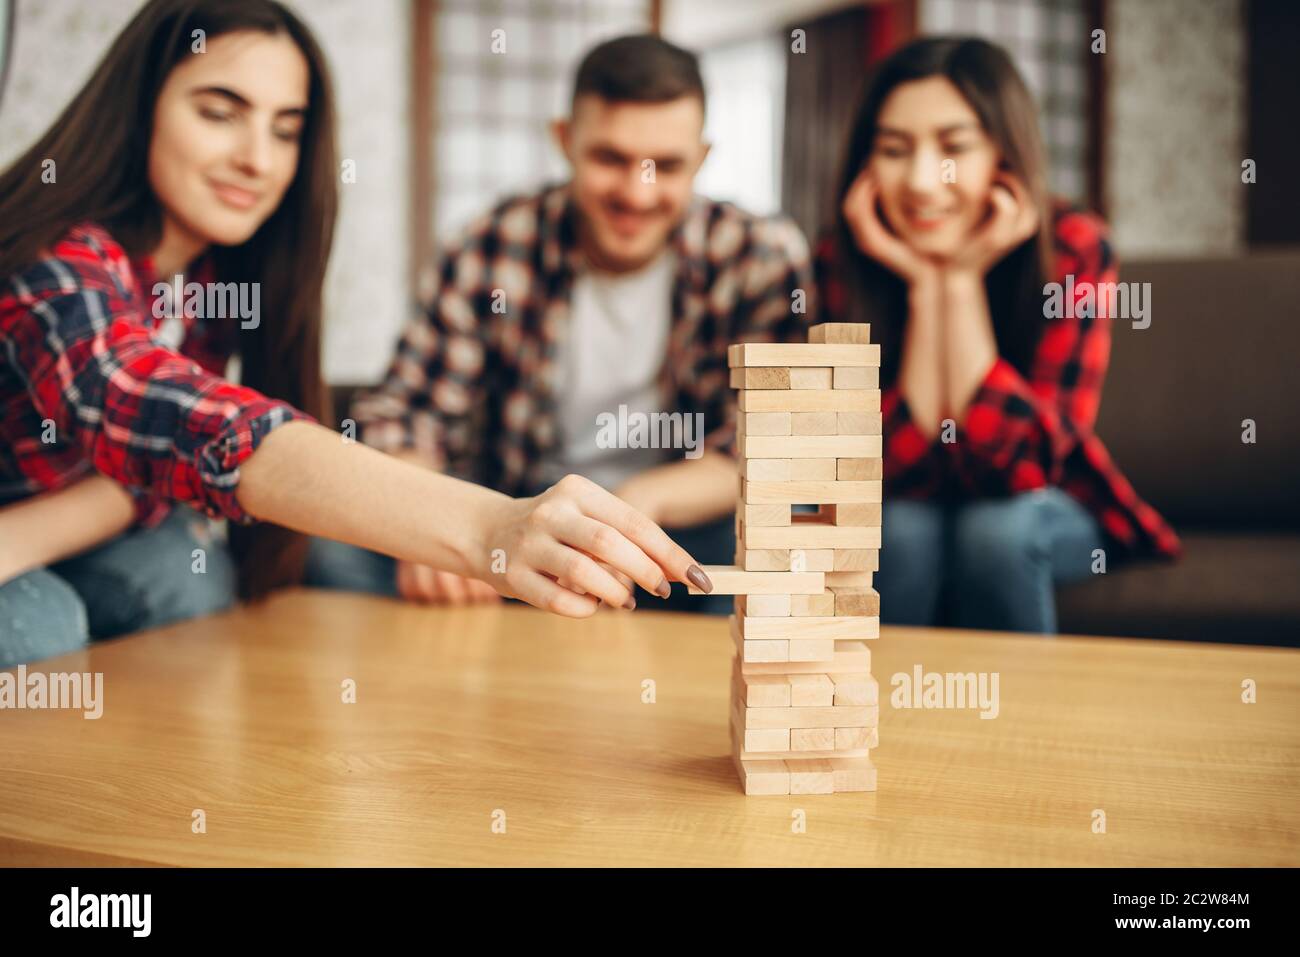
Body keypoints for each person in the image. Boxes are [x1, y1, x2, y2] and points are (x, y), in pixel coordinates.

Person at [0, 0, 711, 669]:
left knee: (199, 575)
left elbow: (151, 459)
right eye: (220, 113)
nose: (259, 158)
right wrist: (484, 528)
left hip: (70, 520)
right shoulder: (56, 264)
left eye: (286, 129)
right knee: (51, 620)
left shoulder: (216, 275)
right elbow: (164, 414)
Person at [311, 34, 814, 613]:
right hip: (515, 525)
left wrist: (632, 507)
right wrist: (436, 528)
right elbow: (407, 416)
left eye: (666, 166)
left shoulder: (760, 257)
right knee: (333, 551)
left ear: (701, 159)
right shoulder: (491, 245)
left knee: (759, 548)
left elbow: (775, 444)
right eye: (610, 159)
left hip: (675, 531)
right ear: (565, 142)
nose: (636, 192)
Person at [817, 36, 1179, 633]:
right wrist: (924, 284)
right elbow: (877, 468)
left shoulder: (1075, 248)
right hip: (911, 508)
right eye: (893, 149)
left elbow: (1020, 469)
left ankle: (1017, 727)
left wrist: (958, 280)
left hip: (1051, 507)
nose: (923, 182)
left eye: (954, 147)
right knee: (899, 530)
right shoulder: (842, 257)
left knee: (995, 530)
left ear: (1004, 155)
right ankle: (876, 720)